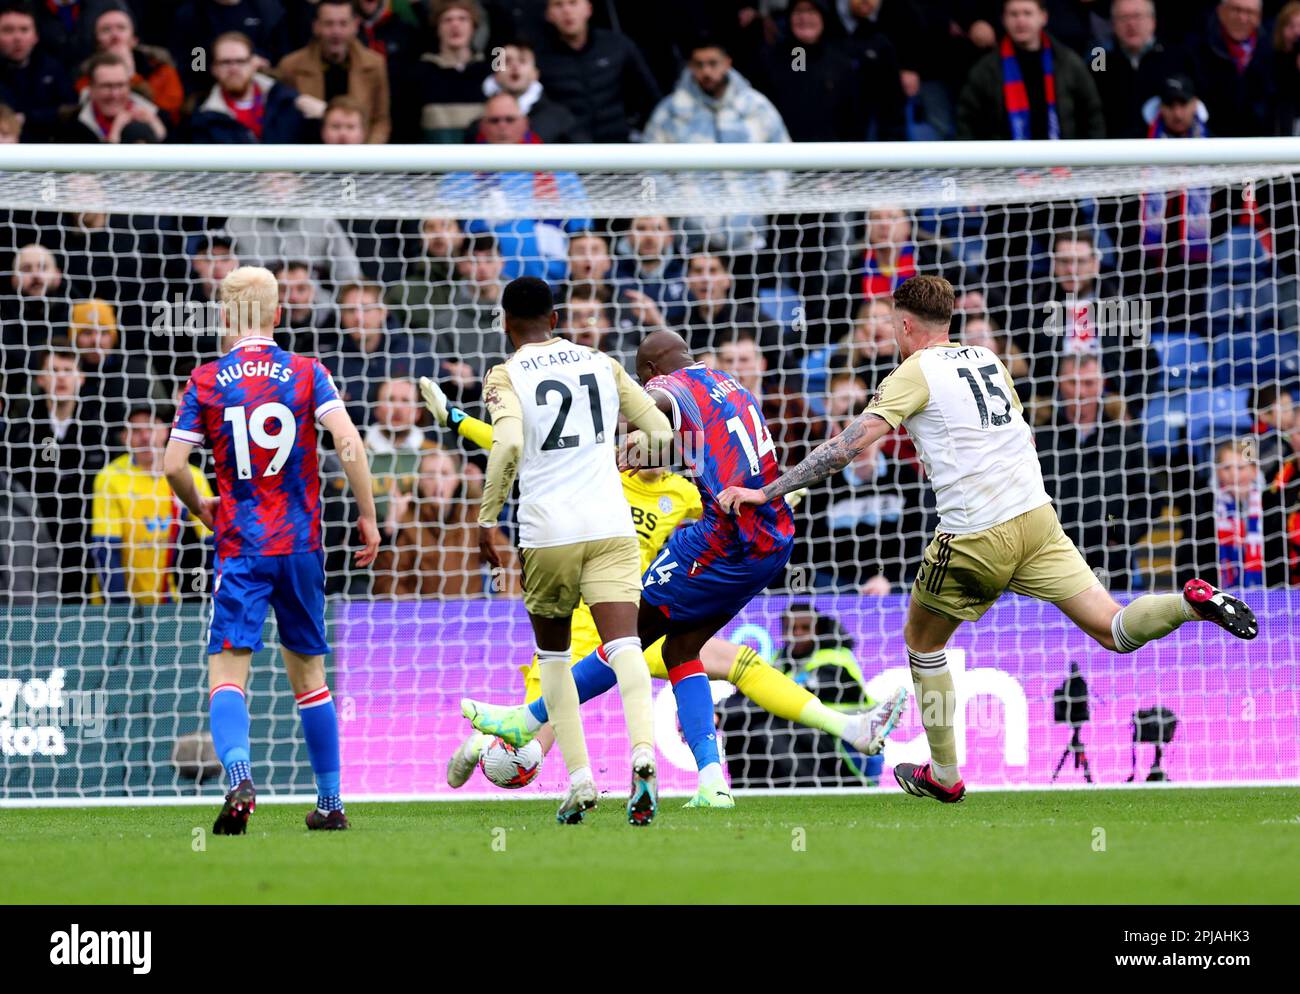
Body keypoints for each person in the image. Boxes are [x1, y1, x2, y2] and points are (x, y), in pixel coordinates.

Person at [719, 275, 1260, 804]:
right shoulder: (989, 359)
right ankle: (1190, 603)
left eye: (892, 326)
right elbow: (1018, 435)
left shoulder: (914, 371)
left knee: (923, 644)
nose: (892, 336)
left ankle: (945, 774)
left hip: (976, 532)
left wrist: (768, 492)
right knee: (1113, 628)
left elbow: (844, 448)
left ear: (905, 324)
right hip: (1037, 519)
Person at [425, 377, 904, 793]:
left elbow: (727, 517)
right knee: (525, 757)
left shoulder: (681, 491)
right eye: (635, 432)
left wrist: (780, 497)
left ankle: (848, 726)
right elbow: (522, 450)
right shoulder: (599, 473)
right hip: (581, 627)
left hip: (637, 621)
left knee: (739, 662)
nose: (645, 442)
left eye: (652, 433)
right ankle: (482, 746)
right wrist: (455, 418)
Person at [163, 265, 380, 834]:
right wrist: (368, 514)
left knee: (228, 673)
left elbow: (171, 465)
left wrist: (200, 504)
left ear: (226, 319)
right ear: (278, 315)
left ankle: (238, 775)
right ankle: (330, 805)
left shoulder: (207, 379)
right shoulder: (308, 372)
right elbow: (348, 441)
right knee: (310, 677)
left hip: (241, 546)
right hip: (302, 546)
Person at [468, 276, 670, 826]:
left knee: (554, 659)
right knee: (625, 644)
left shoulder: (505, 374)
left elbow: (508, 442)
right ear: (556, 319)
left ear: (506, 324)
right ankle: (644, 756)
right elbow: (659, 428)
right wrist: (622, 451)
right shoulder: (601, 362)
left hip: (548, 532)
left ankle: (581, 781)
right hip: (611, 525)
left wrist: (488, 517)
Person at [91, 403, 214, 605]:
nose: (145, 437)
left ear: (166, 432)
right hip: (115, 603)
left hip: (168, 601)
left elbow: (212, 541)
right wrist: (119, 608)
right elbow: (105, 548)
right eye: (136, 431)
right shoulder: (110, 478)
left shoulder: (190, 476)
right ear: (124, 438)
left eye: (151, 428)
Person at [955, 0, 1105, 141]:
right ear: (1003, 19)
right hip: (1004, 166)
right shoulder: (986, 70)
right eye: (1013, 14)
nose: (1020, 21)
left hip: (1064, 163)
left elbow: (1092, 115)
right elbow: (967, 122)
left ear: (1043, 17)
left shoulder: (1068, 62)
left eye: (1027, 13)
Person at [276, 0, 391, 143]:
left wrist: (367, 157)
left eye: (343, 24)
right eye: (329, 24)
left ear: (355, 25)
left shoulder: (374, 64)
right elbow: (281, 123)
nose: (336, 31)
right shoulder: (290, 66)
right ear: (316, 26)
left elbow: (381, 120)